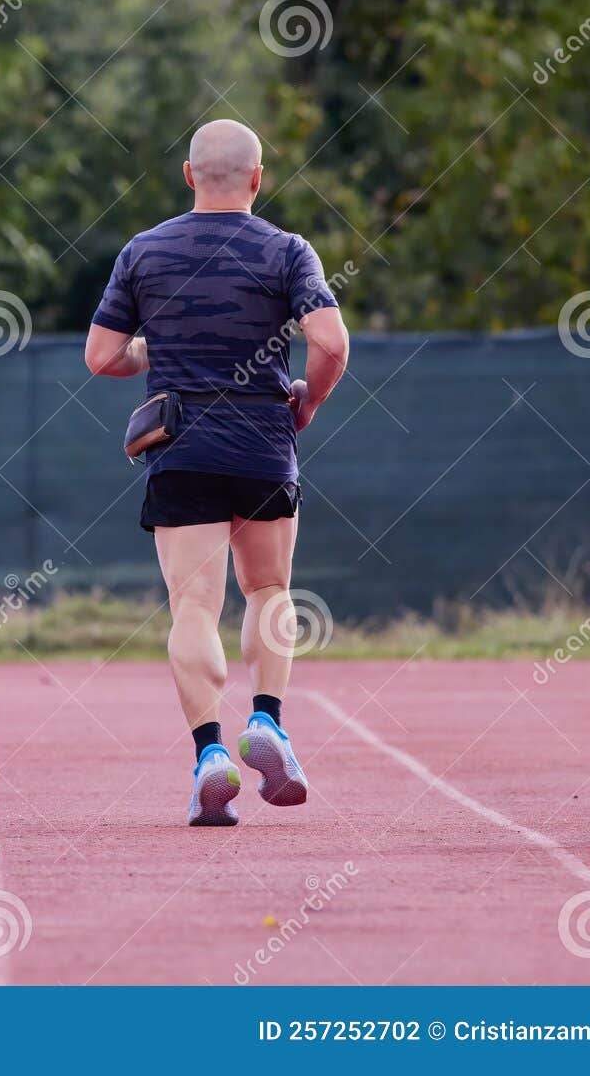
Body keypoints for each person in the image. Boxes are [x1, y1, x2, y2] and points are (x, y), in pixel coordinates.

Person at [83, 119, 350, 827]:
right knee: (268, 589)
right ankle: (267, 719)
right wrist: (309, 399)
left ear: (189, 173)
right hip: (263, 444)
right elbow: (330, 341)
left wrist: (152, 348)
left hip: (183, 449)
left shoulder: (145, 251)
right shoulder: (288, 251)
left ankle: (209, 757)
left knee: (194, 607)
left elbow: (102, 356)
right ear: (258, 178)